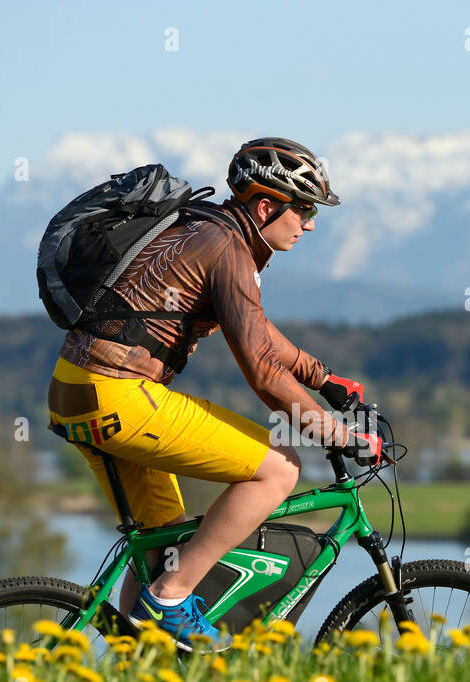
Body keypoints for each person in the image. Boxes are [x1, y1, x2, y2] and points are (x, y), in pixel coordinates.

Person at [47, 137, 379, 647]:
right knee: (278, 468)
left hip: (75, 391)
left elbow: (257, 331)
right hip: (119, 396)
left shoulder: (206, 228)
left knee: (164, 547)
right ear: (266, 206)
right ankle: (171, 599)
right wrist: (334, 433)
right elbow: (263, 373)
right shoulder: (228, 249)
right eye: (305, 209)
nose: (310, 224)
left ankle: (138, 666)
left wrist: (323, 378)